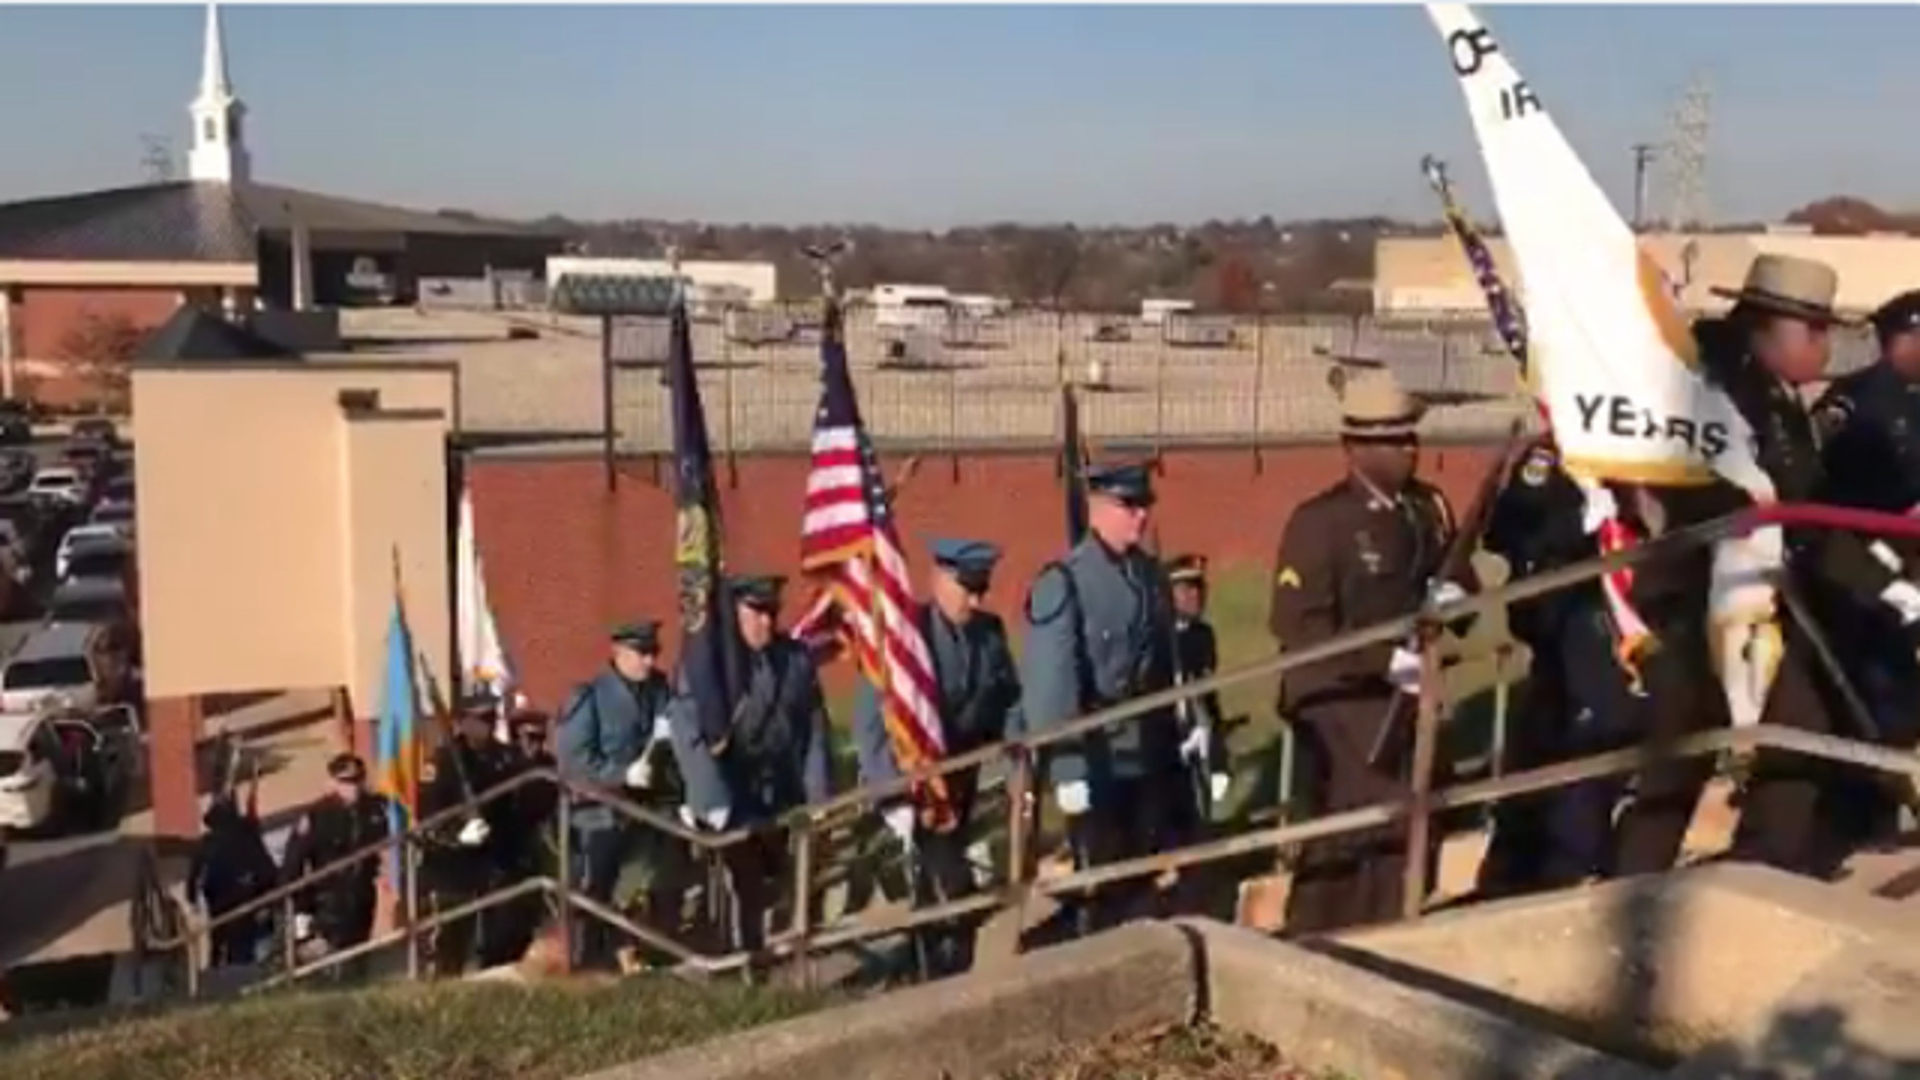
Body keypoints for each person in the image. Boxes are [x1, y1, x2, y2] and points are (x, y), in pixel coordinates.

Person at [1611, 254, 1916, 879]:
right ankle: (1629, 892)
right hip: (1702, 602)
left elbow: (1807, 513)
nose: (1825, 346)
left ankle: (1764, 867)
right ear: (1766, 327)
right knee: (1679, 756)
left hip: (1771, 600)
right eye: (1813, 331)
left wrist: (1883, 581)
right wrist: (1881, 582)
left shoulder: (1775, 400)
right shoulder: (1721, 395)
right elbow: (1762, 505)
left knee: (1792, 735)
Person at [1268, 368, 1461, 934]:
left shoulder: (1426, 509)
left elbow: (1456, 575)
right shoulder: (1321, 523)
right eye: (1396, 440)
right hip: (1337, 696)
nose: (1410, 451)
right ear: (1357, 448)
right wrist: (1384, 662)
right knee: (1355, 823)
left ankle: (1394, 923)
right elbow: (1299, 628)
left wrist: (1454, 596)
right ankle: (1317, 933)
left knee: (1417, 810)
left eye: (1411, 438)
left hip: (1406, 693)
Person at [1020, 461, 1185, 933]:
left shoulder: (1150, 576)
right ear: (1097, 509)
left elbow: (1164, 667)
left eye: (1144, 507)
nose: (1140, 518)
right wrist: (1068, 769)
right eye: (1128, 507)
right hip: (1097, 756)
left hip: (1149, 753)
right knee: (1103, 879)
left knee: (1146, 876)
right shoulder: (1064, 582)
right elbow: (1054, 691)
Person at [1475, 438, 1644, 896]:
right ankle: (1564, 861)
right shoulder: (1550, 455)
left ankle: (1533, 861)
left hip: (1613, 615)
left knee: (1566, 729)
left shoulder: (1632, 448)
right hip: (1565, 613)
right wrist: (1580, 523)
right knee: (1584, 729)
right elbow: (1506, 530)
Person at [853, 538, 1023, 979]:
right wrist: (888, 793)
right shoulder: (907, 636)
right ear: (939, 579)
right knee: (951, 882)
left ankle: (925, 967)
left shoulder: (989, 633)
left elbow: (1008, 702)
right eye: (967, 587)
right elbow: (870, 721)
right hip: (916, 787)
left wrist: (1017, 757)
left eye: (982, 588)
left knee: (936, 887)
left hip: (963, 781)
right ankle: (942, 968)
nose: (976, 598)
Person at [1805, 287, 1920, 857]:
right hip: (1861, 571)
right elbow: (1825, 493)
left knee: (1898, 704)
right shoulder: (1854, 402)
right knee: (1864, 701)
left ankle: (1873, 821)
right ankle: (1846, 829)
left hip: (1906, 570)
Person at [667, 574, 832, 956]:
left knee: (791, 873)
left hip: (779, 790)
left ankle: (795, 950)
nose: (767, 623)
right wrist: (712, 802)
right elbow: (690, 736)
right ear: (732, 613)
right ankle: (745, 962)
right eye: (756, 613)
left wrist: (819, 793)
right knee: (745, 881)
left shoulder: (793, 659)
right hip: (731, 793)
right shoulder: (709, 669)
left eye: (772, 613)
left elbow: (813, 729)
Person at [556, 621, 679, 970]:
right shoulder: (589, 697)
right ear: (619, 652)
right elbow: (574, 762)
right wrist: (621, 774)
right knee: (595, 894)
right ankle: (586, 965)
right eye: (642, 653)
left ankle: (636, 955)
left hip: (647, 812)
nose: (650, 661)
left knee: (649, 887)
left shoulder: (660, 690)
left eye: (654, 653)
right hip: (599, 815)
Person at [416, 696, 514, 977]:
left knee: (496, 951)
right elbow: (426, 823)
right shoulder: (443, 762)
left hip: (491, 867)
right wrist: (459, 835)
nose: (489, 725)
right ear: (463, 723)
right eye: (482, 719)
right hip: (449, 871)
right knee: (448, 951)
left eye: (493, 718)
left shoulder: (503, 757)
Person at [280, 753, 391, 971]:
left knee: (359, 956)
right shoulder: (318, 815)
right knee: (331, 960)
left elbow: (382, 845)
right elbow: (293, 864)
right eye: (346, 782)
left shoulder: (373, 809)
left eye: (358, 781)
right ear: (333, 783)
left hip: (362, 894)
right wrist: (299, 909)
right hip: (327, 897)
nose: (353, 788)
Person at [1167, 554, 1231, 825]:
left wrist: (1218, 753)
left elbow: (1207, 693)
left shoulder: (1202, 635)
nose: (1195, 596)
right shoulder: (1157, 637)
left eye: (1199, 589)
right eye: (1185, 590)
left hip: (1199, 734)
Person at [186, 793, 277, 967]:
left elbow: (194, 877)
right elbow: (267, 870)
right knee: (243, 946)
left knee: (220, 940)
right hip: (245, 900)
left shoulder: (208, 844)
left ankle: (217, 968)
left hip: (221, 902)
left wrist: (192, 898)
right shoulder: (247, 836)